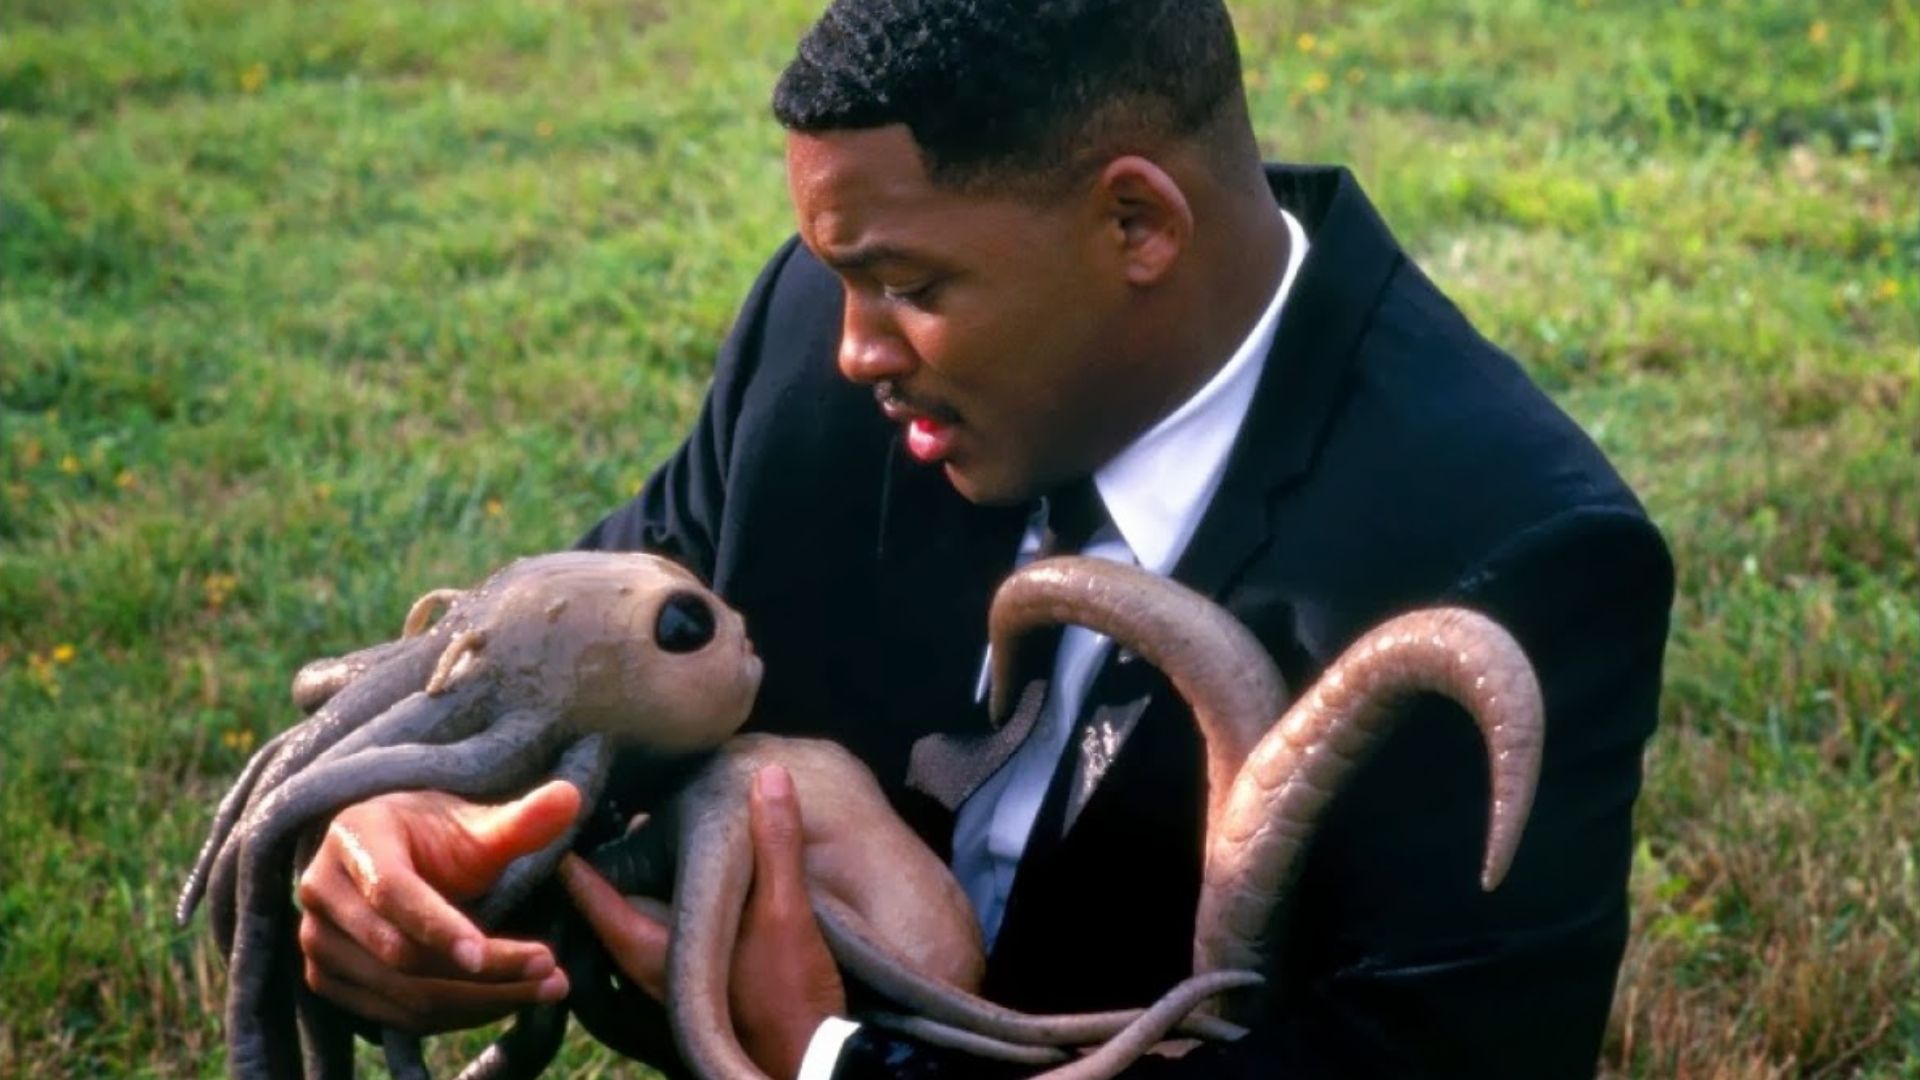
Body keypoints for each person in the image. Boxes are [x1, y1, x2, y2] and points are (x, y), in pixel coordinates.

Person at [293, 1, 1675, 1076]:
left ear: (1136, 223)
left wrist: (828, 1062)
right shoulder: (828, 332)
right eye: (842, 277)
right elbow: (581, 658)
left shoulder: (1515, 551)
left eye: (908, 286)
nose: (852, 349)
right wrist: (404, 830)